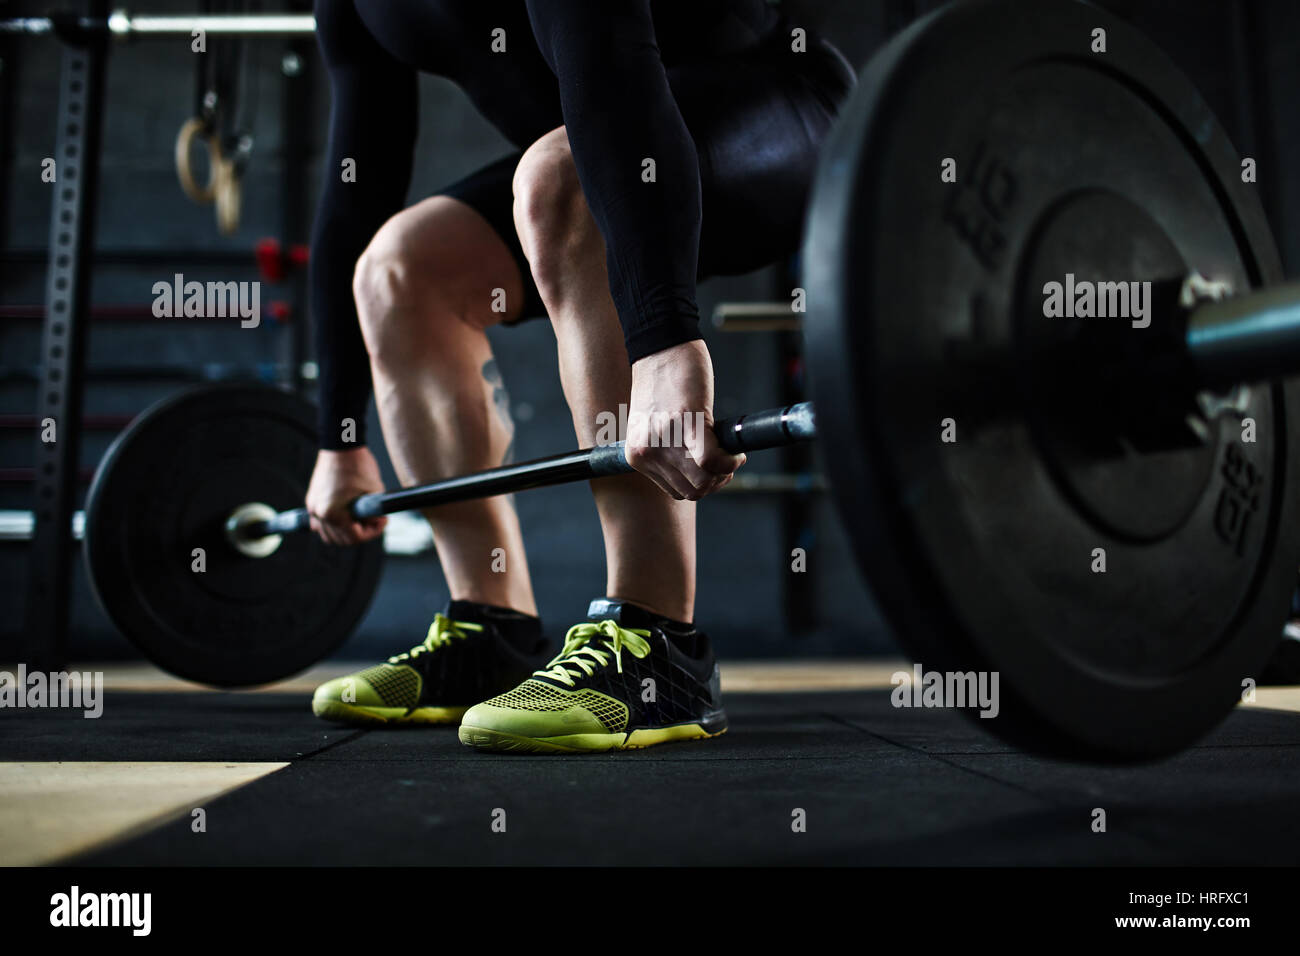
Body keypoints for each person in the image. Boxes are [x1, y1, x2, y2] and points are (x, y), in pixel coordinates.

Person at [306, 0, 854, 752]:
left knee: (559, 177)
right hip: (605, 156)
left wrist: (664, 344)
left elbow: (611, 71)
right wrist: (337, 436)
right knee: (400, 268)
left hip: (792, 119)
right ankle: (489, 630)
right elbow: (354, 190)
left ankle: (658, 646)